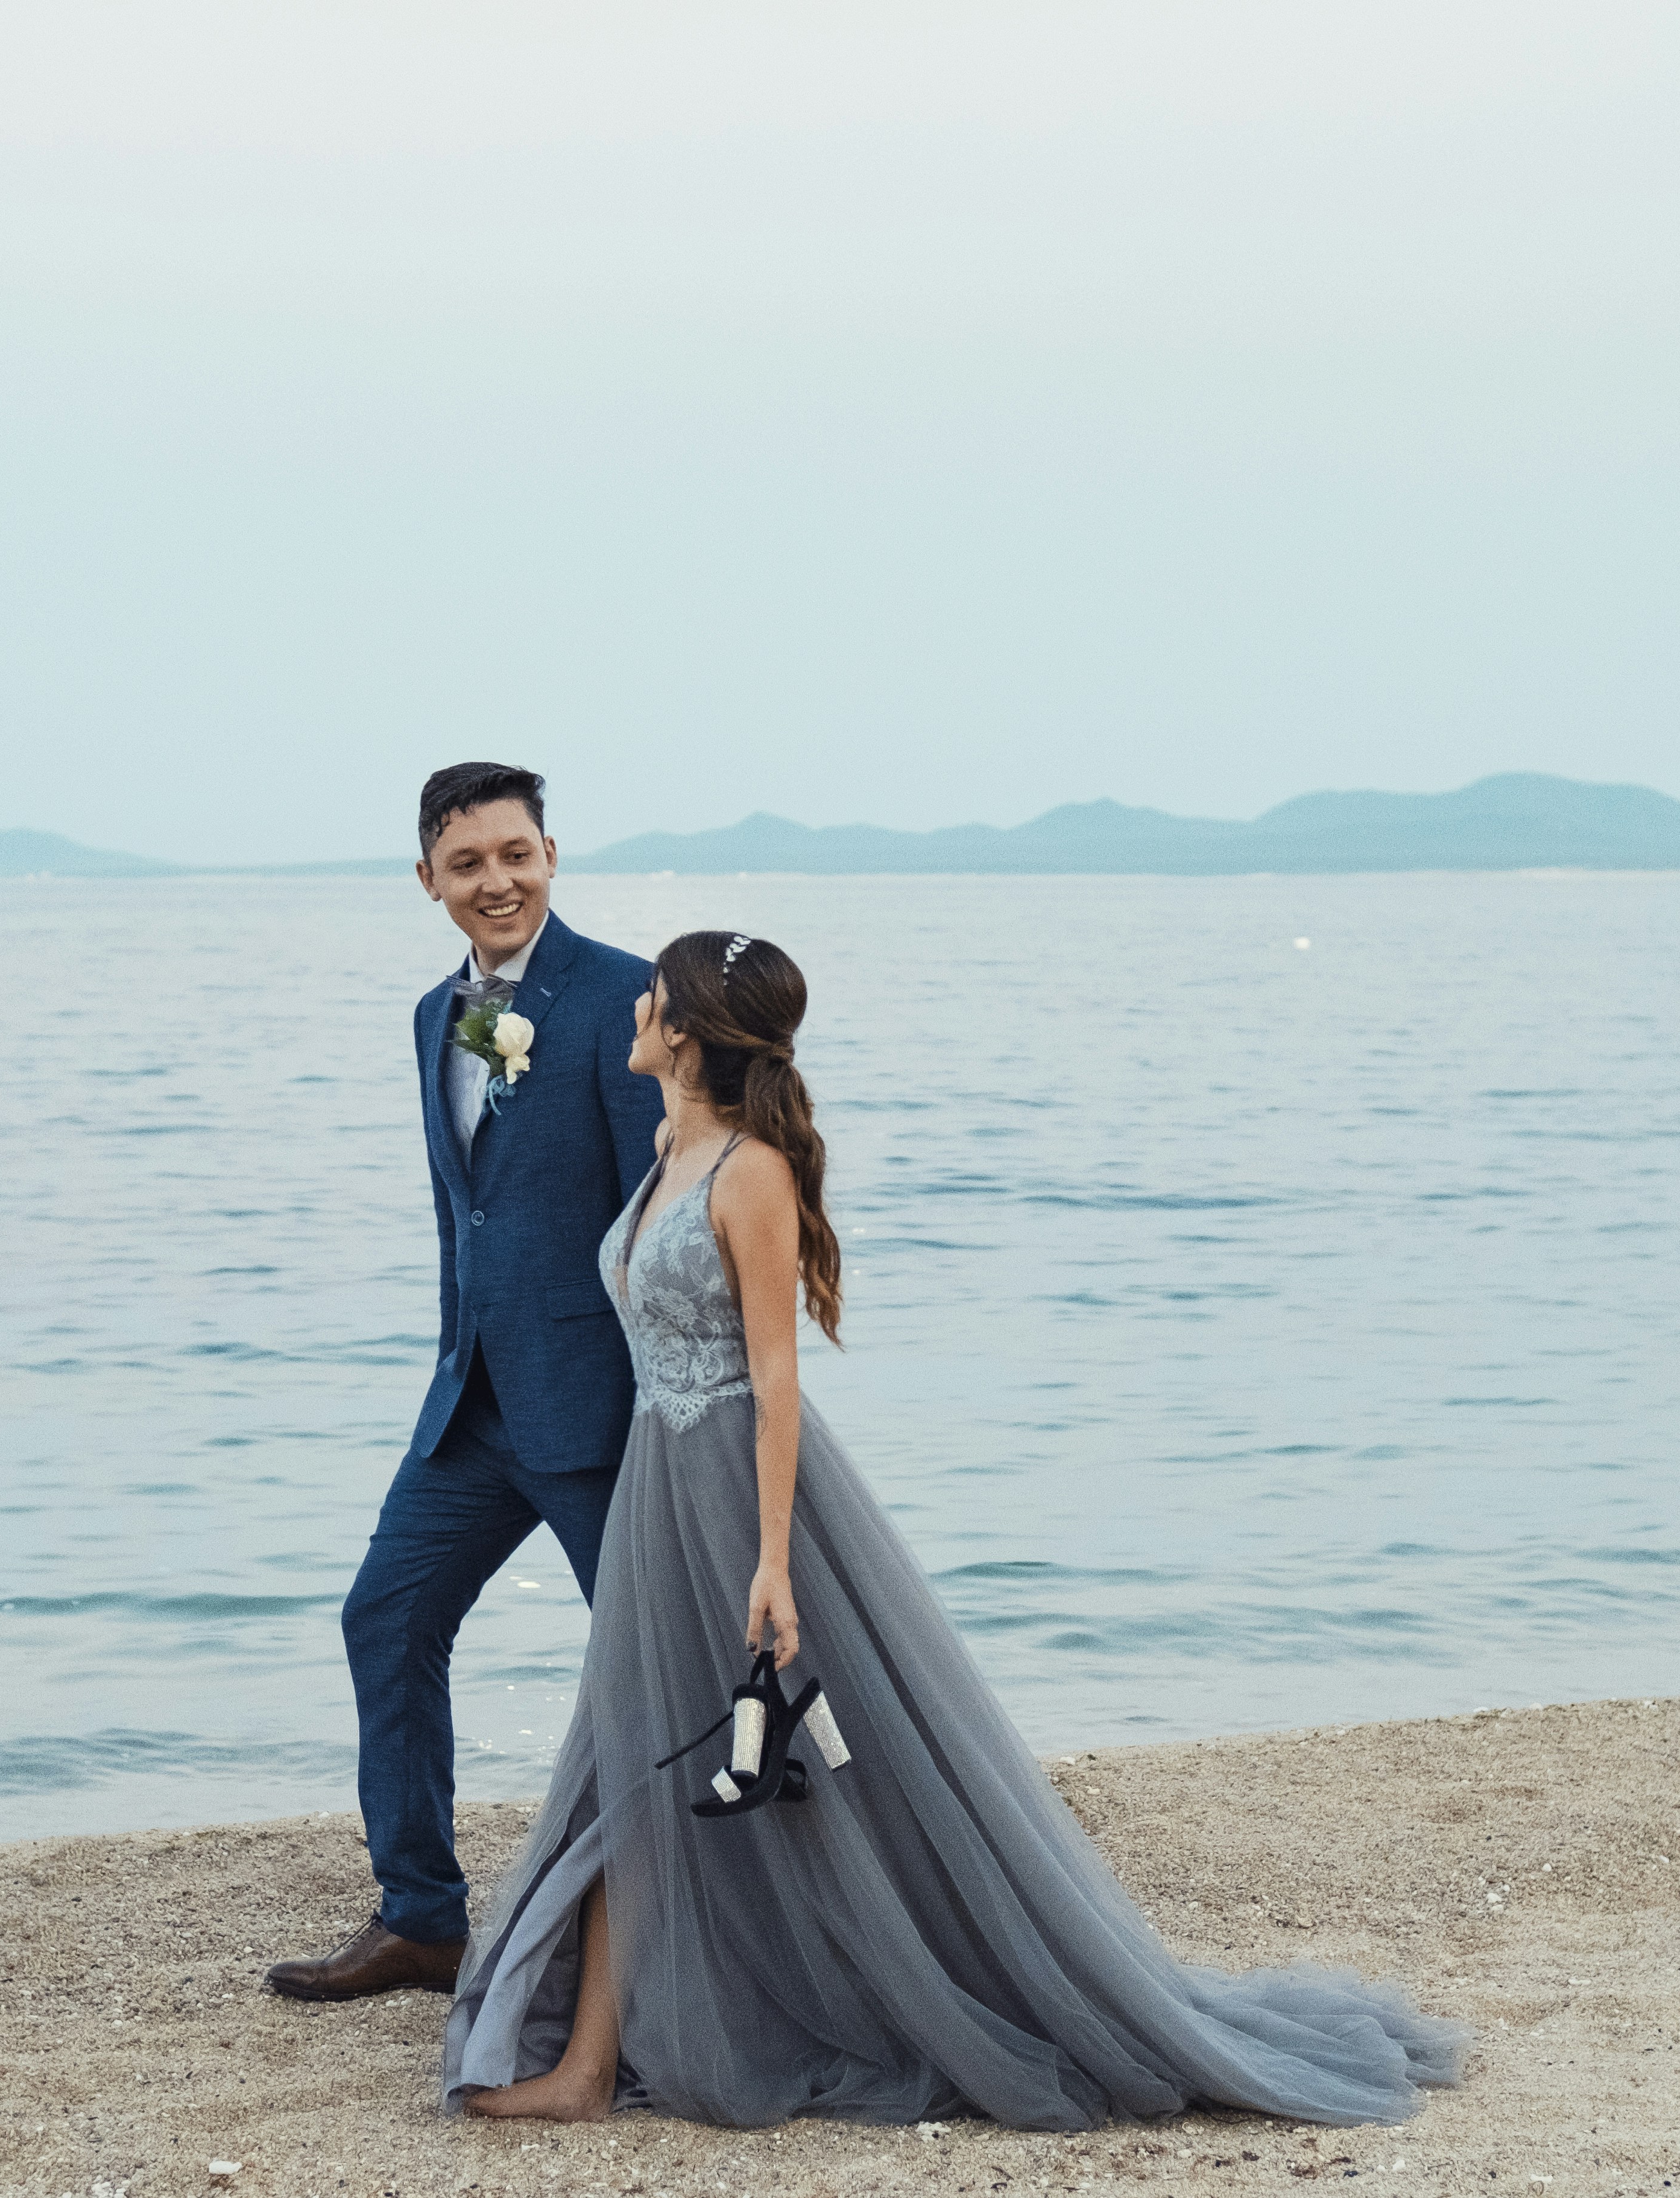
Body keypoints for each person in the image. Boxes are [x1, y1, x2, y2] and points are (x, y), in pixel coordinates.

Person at [444, 931, 1466, 2129]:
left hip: (737, 1488)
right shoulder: (674, 1144)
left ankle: (653, 2050)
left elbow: (774, 1383)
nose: (635, 1005)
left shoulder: (753, 1173)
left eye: (651, 995)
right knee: (629, 1756)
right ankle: (591, 2061)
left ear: (685, 1029)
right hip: (657, 1493)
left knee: (781, 1765)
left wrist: (771, 1561)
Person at [262, 763, 666, 2003]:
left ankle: (695, 1927)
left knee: (659, 1670)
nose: (495, 880)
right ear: (427, 878)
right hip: (471, 1406)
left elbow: (654, 1213)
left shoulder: (621, 998)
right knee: (385, 1617)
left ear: (552, 854)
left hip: (597, 1410)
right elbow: (470, 1213)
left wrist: (664, 1405)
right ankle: (423, 1918)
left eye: (516, 854)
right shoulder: (432, 1015)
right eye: (467, 862)